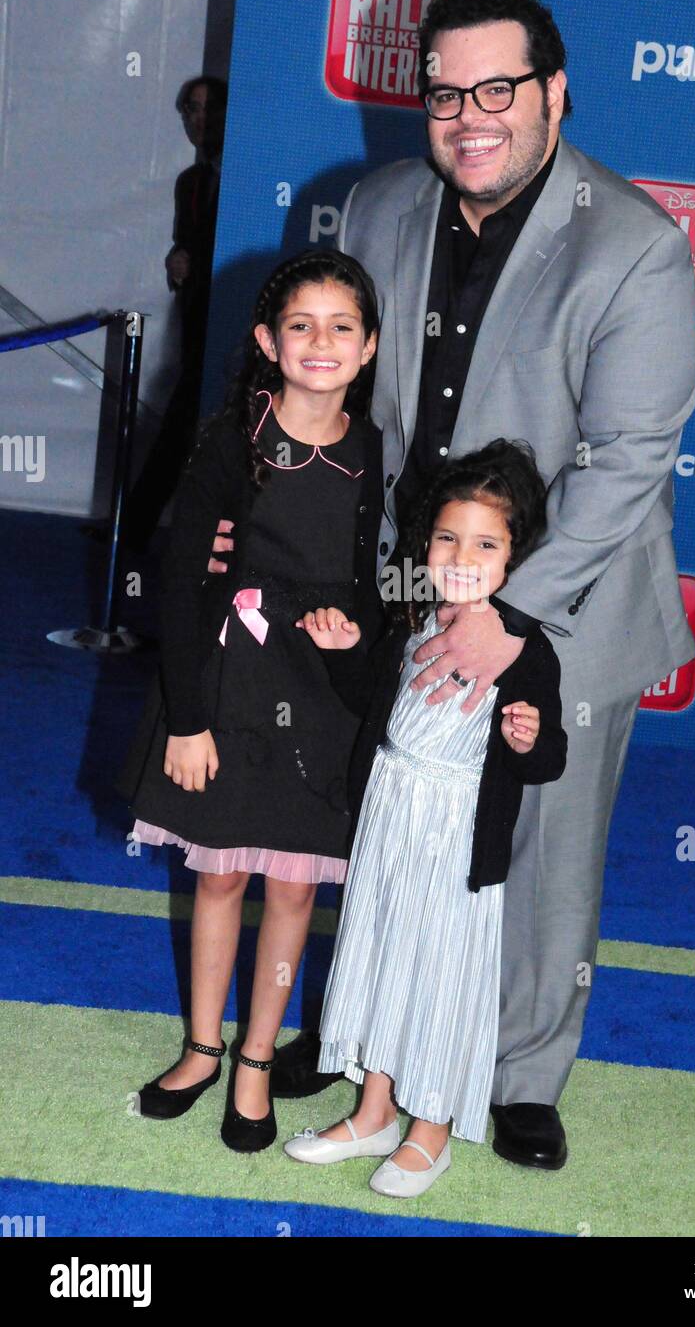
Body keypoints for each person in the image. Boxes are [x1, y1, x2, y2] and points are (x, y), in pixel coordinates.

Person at [266, 0, 695, 1171]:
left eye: (497, 89)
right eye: (445, 92)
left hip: (564, 609)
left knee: (541, 850)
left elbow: (626, 467)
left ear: (553, 94)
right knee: (396, 826)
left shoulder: (636, 247)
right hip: (410, 594)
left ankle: (519, 1074)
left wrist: (506, 616)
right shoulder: (378, 205)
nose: (469, 116)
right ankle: (371, 1042)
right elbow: (348, 407)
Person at [118, 248, 383, 1152]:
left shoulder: (373, 451)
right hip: (227, 685)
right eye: (301, 325)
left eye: (341, 326)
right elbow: (185, 582)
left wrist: (356, 651)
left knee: (296, 887)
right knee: (220, 872)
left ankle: (258, 1062)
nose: (321, 342)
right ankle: (201, 1047)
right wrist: (187, 721)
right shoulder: (232, 438)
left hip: (317, 702)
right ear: (269, 340)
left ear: (371, 344)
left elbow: (374, 583)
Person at [283, 440, 567, 1197]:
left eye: (485, 543)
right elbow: (372, 702)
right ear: (424, 542)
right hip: (388, 817)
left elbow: (547, 759)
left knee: (439, 974)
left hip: (458, 831)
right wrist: (343, 652)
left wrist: (530, 738)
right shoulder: (411, 611)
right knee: (379, 956)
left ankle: (430, 1129)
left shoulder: (521, 647)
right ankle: (372, 1109)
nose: (461, 555)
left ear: (516, 556)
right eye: (447, 537)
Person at [125, 76, 228, 553]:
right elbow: (186, 247)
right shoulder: (190, 182)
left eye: (209, 108)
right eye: (191, 109)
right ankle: (137, 532)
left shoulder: (248, 175)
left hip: (235, 324)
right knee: (179, 426)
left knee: (185, 428)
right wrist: (178, 260)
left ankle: (137, 532)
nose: (199, 119)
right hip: (194, 325)